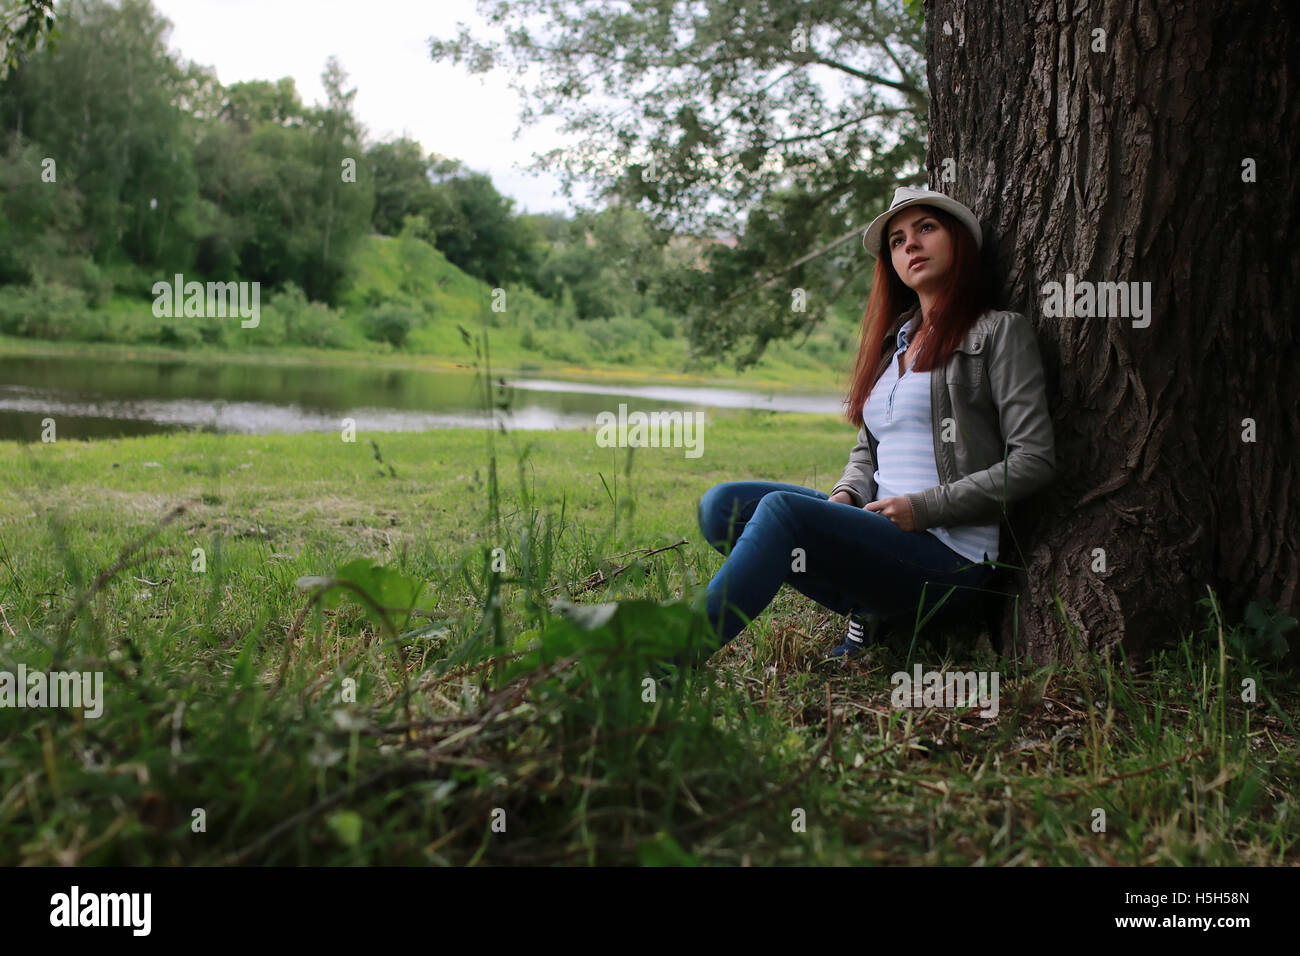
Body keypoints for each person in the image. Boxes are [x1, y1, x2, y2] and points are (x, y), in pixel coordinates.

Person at [688, 186, 1057, 671]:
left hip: (949, 559)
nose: (910, 245)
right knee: (722, 506)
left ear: (960, 241)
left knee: (781, 511)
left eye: (926, 228)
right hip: (880, 532)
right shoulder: (895, 345)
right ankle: (871, 610)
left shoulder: (997, 333)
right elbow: (869, 449)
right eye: (898, 240)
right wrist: (845, 495)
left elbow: (1033, 460)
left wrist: (923, 508)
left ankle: (672, 654)